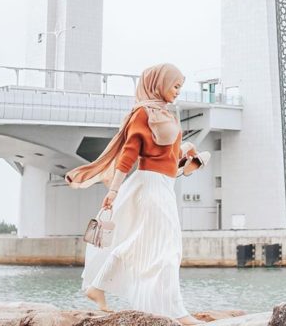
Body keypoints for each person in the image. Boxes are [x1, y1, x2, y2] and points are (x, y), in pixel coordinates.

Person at [65, 63, 207, 324]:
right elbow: (129, 154)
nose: (178, 91)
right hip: (150, 185)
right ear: (159, 83)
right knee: (168, 248)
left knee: (142, 243)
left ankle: (97, 286)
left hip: (165, 185)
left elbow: (167, 154)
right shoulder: (142, 113)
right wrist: (114, 190)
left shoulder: (164, 113)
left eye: (180, 87)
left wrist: (187, 151)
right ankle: (177, 312)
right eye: (175, 85)